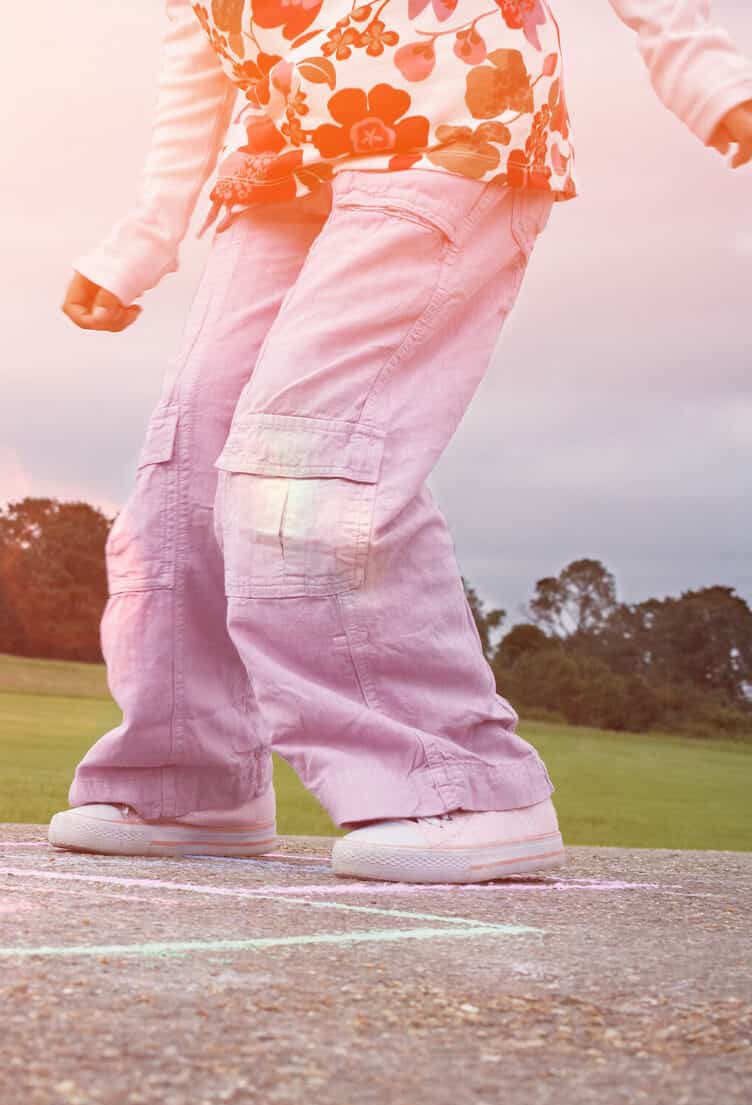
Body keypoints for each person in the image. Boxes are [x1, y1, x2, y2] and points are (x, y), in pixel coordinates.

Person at [49, 0, 752, 883]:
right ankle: (189, 778)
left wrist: (705, 70)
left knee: (302, 459)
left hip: (452, 122)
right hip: (283, 162)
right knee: (183, 473)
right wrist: (146, 235)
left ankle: (466, 786)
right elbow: (204, 43)